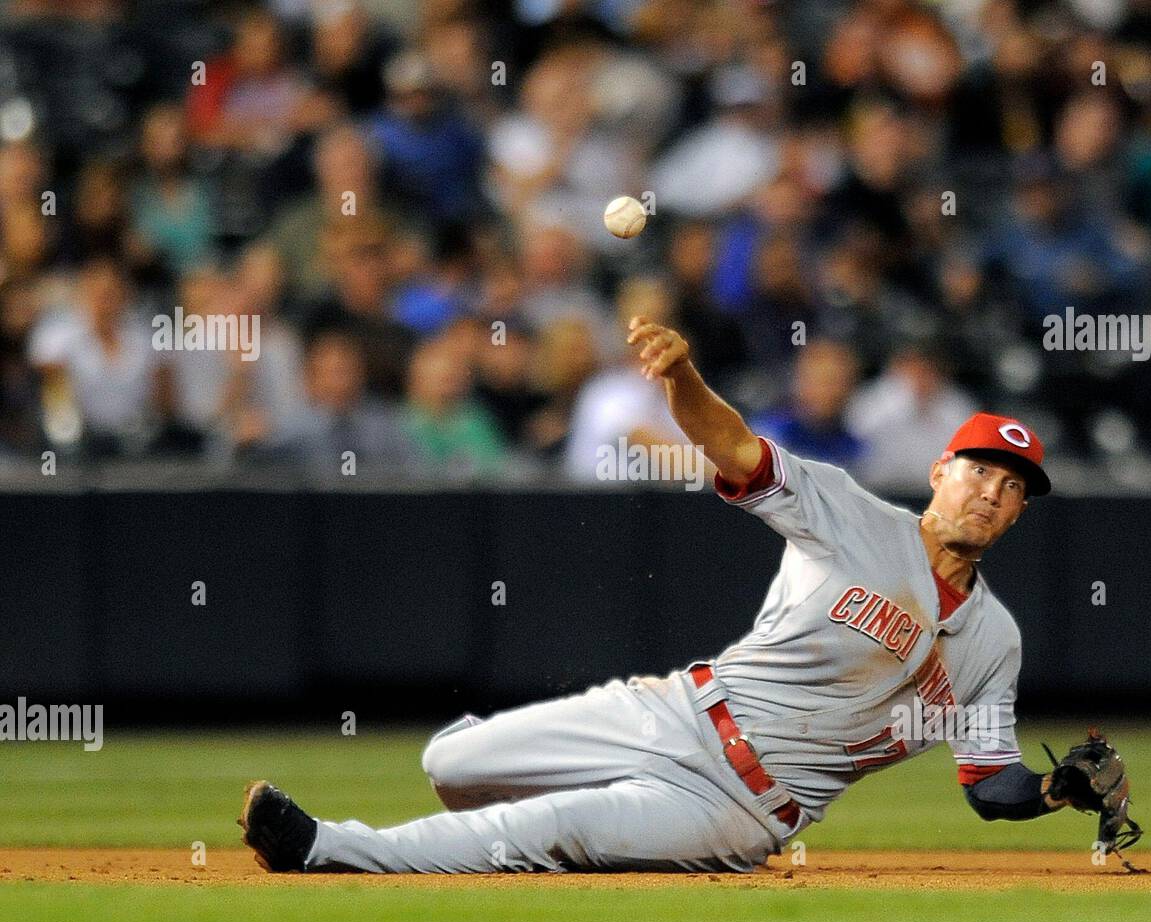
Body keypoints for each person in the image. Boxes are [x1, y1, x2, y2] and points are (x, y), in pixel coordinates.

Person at [239, 317, 1073, 874]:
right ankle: (544, 797)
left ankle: (328, 850)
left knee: (550, 832)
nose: (993, 493)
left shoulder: (994, 640)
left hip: (738, 805)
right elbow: (735, 446)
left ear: (1021, 511)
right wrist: (682, 383)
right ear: (940, 472)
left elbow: (990, 779)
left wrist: (1057, 790)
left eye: (1013, 487)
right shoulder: (851, 512)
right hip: (675, 709)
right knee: (448, 763)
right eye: (980, 472)